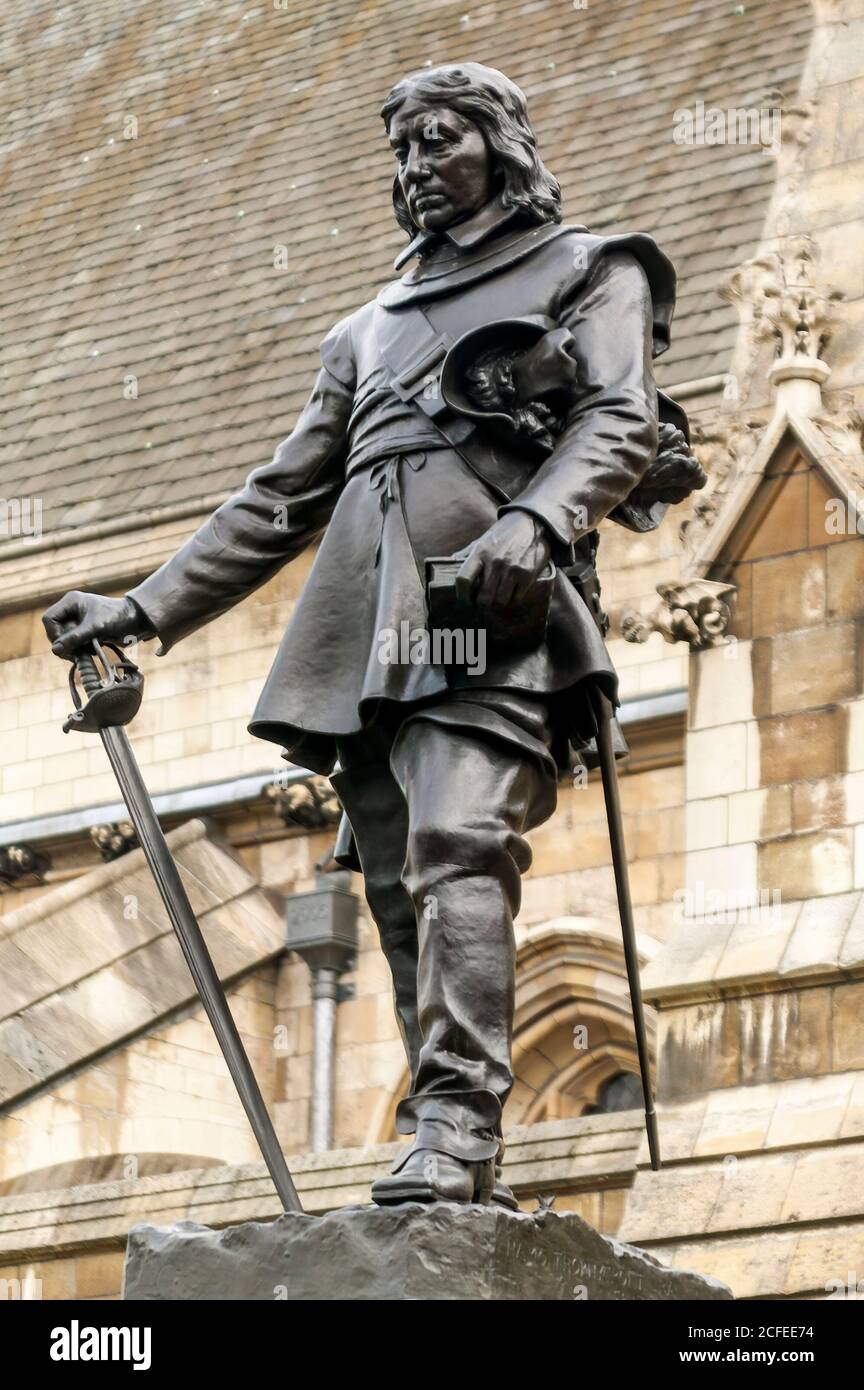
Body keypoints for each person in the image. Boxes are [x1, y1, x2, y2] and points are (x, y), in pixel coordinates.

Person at [45, 63, 702, 1207]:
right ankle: (449, 1149)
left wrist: (537, 521)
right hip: (370, 633)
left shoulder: (592, 268)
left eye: (439, 142)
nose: (415, 169)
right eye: (402, 152)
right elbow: (276, 499)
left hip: (487, 619)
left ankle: (453, 1126)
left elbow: (620, 416)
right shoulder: (367, 330)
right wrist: (140, 609)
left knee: (459, 841)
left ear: (498, 145)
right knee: (402, 886)